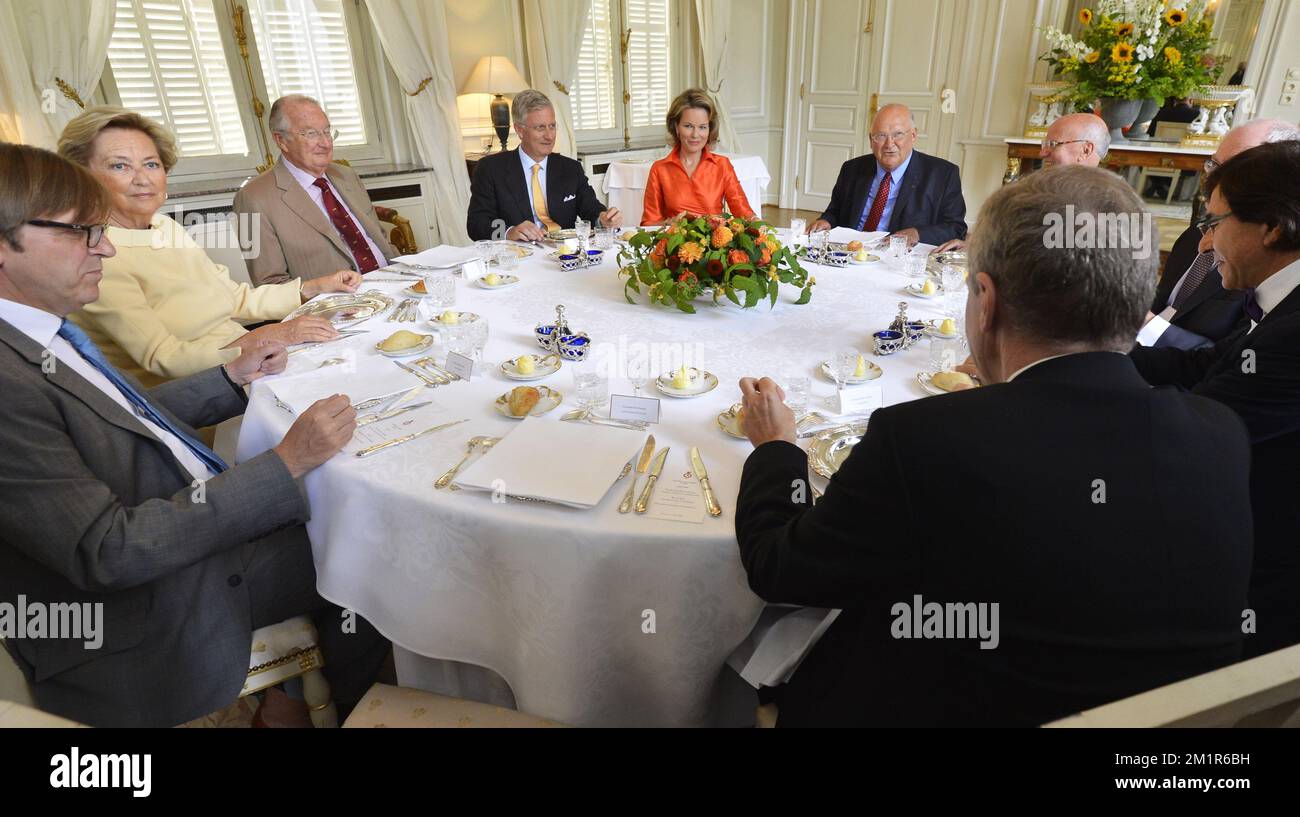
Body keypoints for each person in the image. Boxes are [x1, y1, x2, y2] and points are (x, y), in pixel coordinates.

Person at [735, 165, 1253, 727]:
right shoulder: (1219, 433)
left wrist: (774, 449)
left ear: (986, 300)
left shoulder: (921, 439)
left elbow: (781, 572)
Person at [0, 143, 388, 727]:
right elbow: (110, 551)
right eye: (83, 231)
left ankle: (288, 700)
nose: (104, 247)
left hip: (176, 527)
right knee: (369, 545)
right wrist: (282, 463)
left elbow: (119, 418)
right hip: (145, 607)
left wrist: (233, 377)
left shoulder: (36, 332)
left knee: (350, 502)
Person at [1131, 140, 1300, 657]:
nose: (1203, 246)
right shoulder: (1280, 301)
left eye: (1214, 224)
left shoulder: (1292, 334)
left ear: (1271, 227)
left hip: (1260, 576)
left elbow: (1191, 431)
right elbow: (1201, 364)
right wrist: (1092, 344)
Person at [57, 106, 358, 389]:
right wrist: (267, 336)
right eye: (120, 166)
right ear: (82, 175)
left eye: (151, 164)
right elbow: (164, 358)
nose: (143, 179)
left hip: (250, 361)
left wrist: (315, 287)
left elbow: (234, 299)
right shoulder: (97, 255)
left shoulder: (164, 226)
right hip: (204, 394)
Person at [1137, 119, 1300, 350]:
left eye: (1235, 169)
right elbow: (1162, 303)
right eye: (1214, 164)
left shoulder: (1272, 274)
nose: (1215, 181)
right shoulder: (1197, 233)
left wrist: (1142, 324)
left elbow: (1226, 360)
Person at [233, 94, 397, 286]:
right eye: (311, 134)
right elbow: (270, 286)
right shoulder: (251, 199)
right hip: (336, 306)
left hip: (394, 284)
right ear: (282, 141)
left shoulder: (346, 175)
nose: (326, 143)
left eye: (327, 132)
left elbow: (379, 239)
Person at [930, 113, 1108, 255]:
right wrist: (974, 244)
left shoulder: (1105, 207)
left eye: (1053, 144)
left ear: (1085, 150)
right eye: (1044, 144)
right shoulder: (1035, 190)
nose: (1042, 153)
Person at [467, 89, 621, 241]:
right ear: (520, 130)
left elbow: (591, 207)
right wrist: (509, 231)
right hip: (520, 256)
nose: (549, 136)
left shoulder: (570, 168)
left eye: (552, 126)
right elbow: (477, 224)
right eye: (540, 128)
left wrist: (603, 218)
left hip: (565, 254)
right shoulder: (491, 169)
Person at [810, 103, 966, 247]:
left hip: (898, 257)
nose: (889, 144)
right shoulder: (852, 169)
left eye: (898, 134)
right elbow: (835, 212)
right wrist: (826, 221)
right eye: (881, 136)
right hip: (851, 250)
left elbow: (955, 227)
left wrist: (918, 233)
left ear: (913, 136)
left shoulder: (942, 174)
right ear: (871, 140)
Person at [640, 88, 755, 225]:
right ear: (676, 127)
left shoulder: (722, 165)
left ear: (710, 129)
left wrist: (759, 224)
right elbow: (648, 224)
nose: (695, 135)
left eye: (702, 127)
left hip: (714, 244)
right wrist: (670, 223)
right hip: (673, 243)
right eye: (688, 126)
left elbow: (744, 213)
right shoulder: (659, 169)